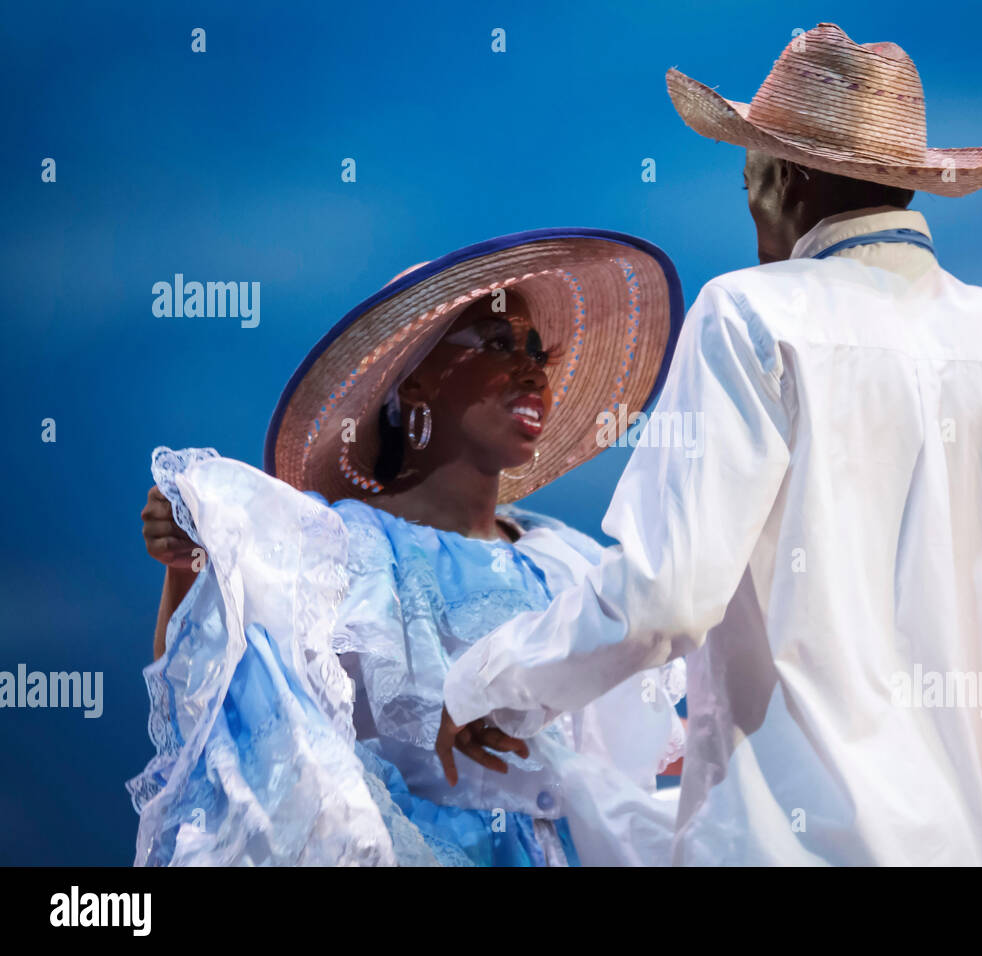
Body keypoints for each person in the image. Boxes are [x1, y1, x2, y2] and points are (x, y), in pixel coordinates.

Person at [436, 25, 982, 865]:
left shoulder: (752, 316)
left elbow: (666, 596)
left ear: (783, 175)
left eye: (748, 168)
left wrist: (495, 683)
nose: (747, 196)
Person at [130, 228, 687, 866]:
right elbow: (212, 689)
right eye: (499, 343)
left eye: (537, 350)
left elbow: (640, 741)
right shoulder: (341, 545)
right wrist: (188, 562)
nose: (532, 368)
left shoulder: (567, 561)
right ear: (414, 383)